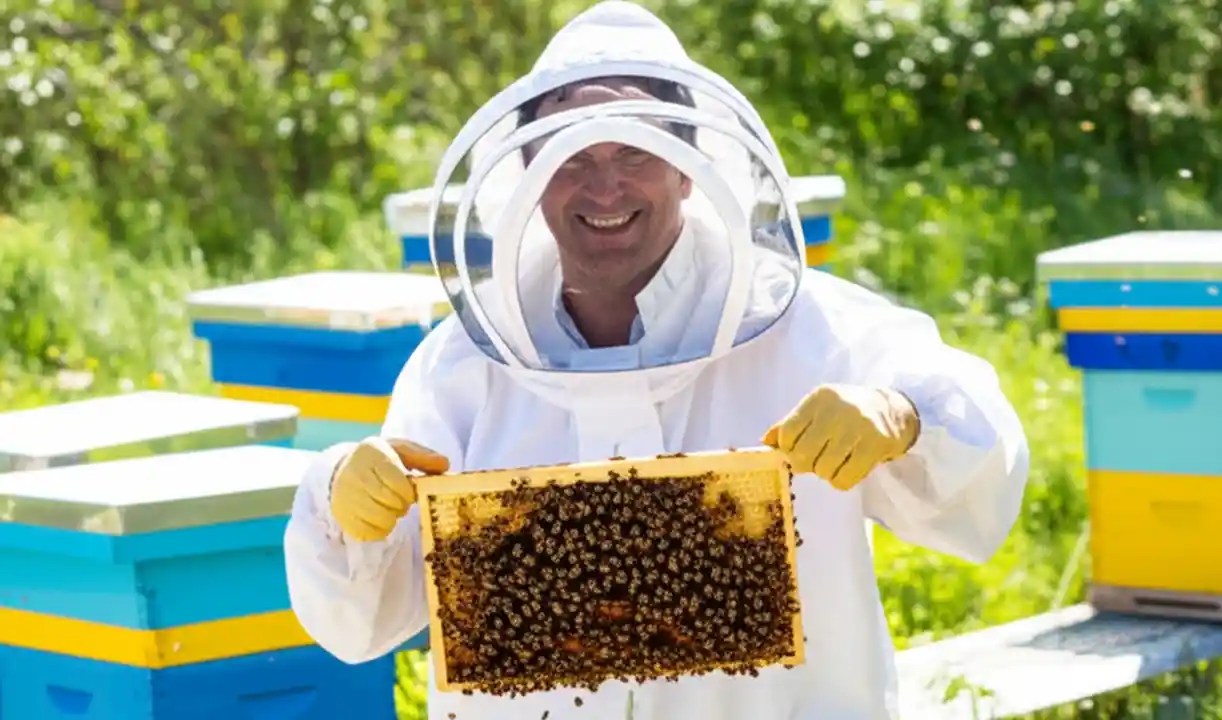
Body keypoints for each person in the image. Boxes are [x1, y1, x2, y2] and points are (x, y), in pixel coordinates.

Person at [282, 2, 1030, 719]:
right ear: (529, 176)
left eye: (635, 150)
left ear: (688, 168)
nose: (604, 184)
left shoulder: (812, 326)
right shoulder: (463, 363)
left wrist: (903, 415)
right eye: (572, 156)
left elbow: (983, 462)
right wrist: (343, 503)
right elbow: (362, 625)